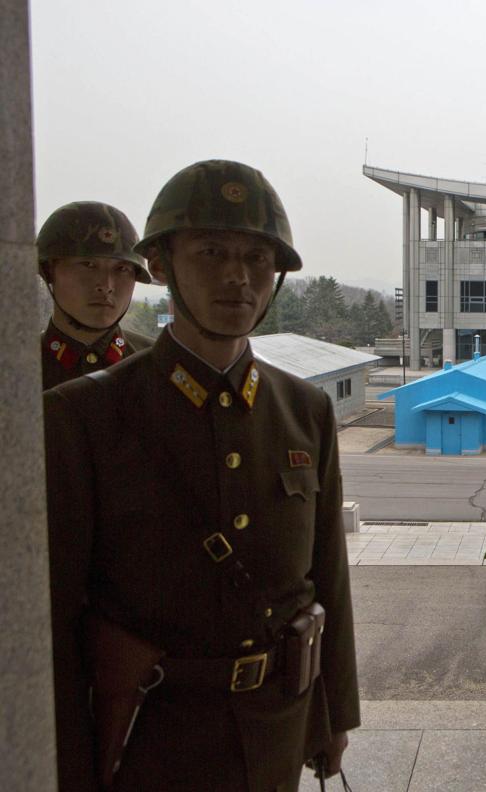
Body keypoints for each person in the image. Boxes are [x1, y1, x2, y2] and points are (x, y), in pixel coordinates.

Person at [43, 160, 360, 791]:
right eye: (210, 251)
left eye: (257, 257)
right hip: (152, 742)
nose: (237, 276)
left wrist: (333, 715)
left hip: (275, 727)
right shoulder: (84, 414)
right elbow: (56, 615)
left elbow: (326, 573)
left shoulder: (304, 410)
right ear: (160, 266)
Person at [37, 202, 155, 390]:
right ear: (49, 271)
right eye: (88, 265)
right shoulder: (15, 366)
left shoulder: (161, 365)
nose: (106, 286)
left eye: (121, 269)